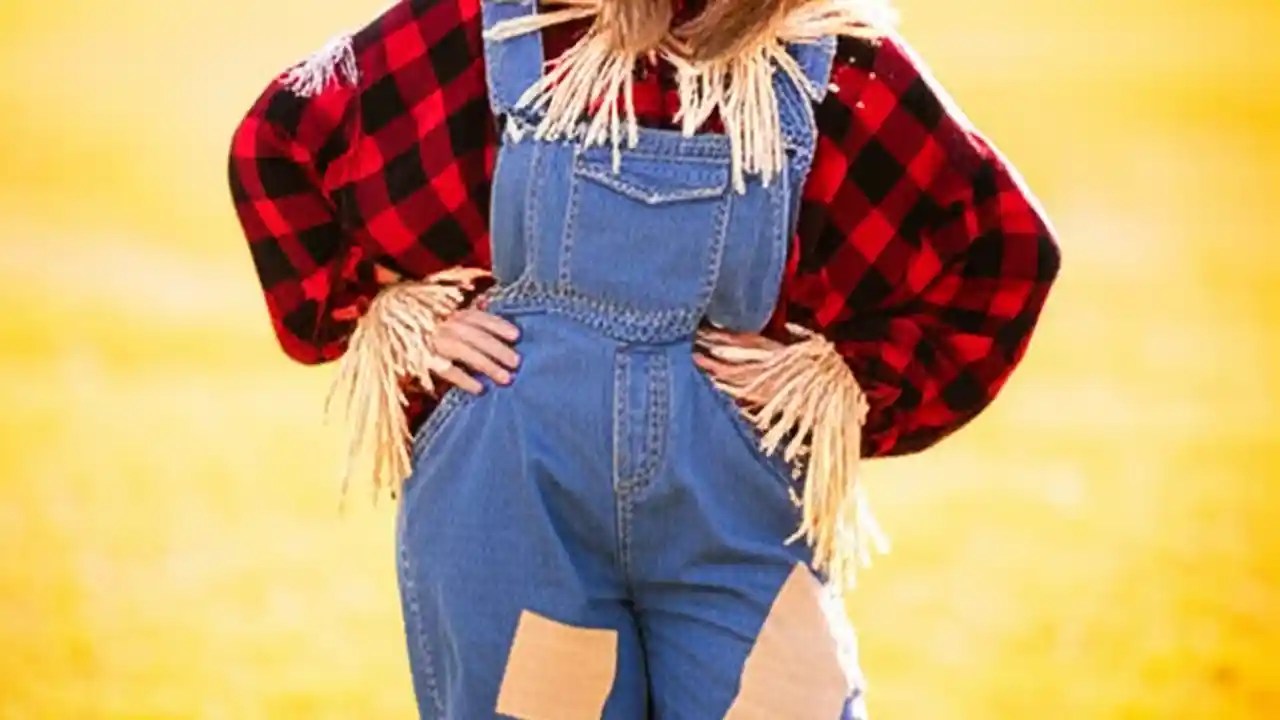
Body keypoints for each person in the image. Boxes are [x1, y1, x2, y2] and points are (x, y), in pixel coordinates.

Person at [228, 0, 1060, 716]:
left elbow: (1005, 249)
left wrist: (840, 384)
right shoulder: (505, 22)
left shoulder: (829, 52)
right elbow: (279, 143)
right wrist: (397, 315)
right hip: (515, 505)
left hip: (733, 512)